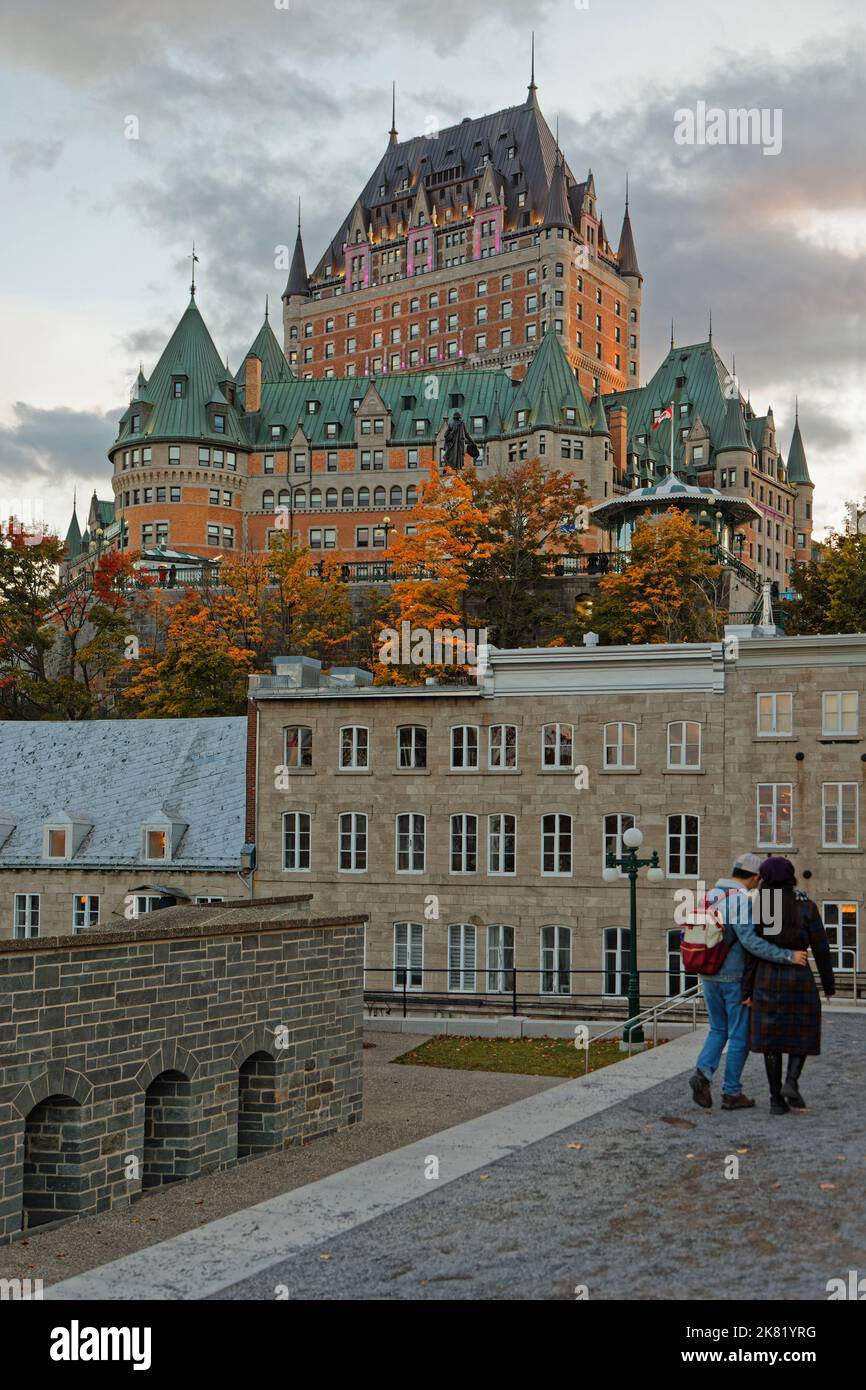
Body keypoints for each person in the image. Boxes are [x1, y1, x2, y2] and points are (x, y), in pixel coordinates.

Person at [689, 853, 808, 1111]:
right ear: (754, 877)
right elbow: (750, 942)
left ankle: (702, 1073)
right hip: (732, 976)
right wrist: (787, 956)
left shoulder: (708, 895)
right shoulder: (740, 899)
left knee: (717, 1029)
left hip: (707, 972)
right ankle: (732, 1092)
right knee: (739, 1035)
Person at [743, 856, 835, 1114]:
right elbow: (821, 947)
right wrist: (828, 984)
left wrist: (747, 989)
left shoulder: (762, 907)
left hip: (766, 977)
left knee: (771, 1039)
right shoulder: (806, 906)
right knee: (802, 1029)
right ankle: (791, 1083)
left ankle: (775, 1101)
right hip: (798, 975)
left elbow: (752, 950)